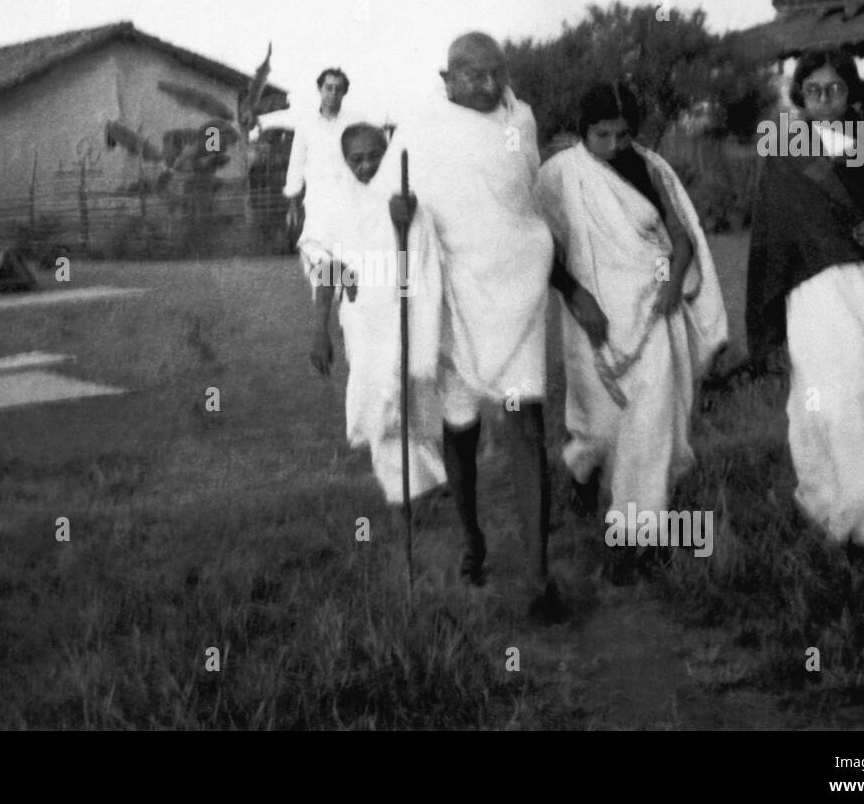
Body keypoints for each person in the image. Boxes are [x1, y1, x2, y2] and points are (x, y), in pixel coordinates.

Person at [382, 32, 568, 620]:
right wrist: (400, 217)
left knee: (525, 426)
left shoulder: (524, 122)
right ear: (447, 79)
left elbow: (527, 204)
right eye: (475, 77)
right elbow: (386, 206)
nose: (491, 87)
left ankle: (538, 572)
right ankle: (472, 540)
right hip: (453, 299)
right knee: (458, 428)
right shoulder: (420, 130)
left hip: (517, 290)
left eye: (498, 73)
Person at [535, 82, 728, 581]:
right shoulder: (559, 175)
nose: (614, 145)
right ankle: (584, 469)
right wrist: (577, 297)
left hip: (651, 307)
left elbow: (679, 234)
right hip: (592, 316)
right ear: (584, 131)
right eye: (602, 134)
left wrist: (669, 285)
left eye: (623, 134)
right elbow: (541, 250)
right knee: (599, 425)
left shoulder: (648, 166)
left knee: (651, 420)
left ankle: (636, 539)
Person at [746, 48, 864, 553]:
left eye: (835, 89)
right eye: (813, 91)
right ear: (799, 97)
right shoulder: (782, 147)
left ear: (852, 93)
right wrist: (772, 311)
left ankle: (831, 502)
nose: (824, 100)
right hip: (815, 289)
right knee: (840, 397)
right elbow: (771, 234)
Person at [301, 123, 446, 513]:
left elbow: (426, 247)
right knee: (377, 400)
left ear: (388, 152)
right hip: (364, 320)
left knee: (411, 397)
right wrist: (320, 329)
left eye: (374, 156)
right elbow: (327, 267)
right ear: (345, 161)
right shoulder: (336, 204)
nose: (366, 166)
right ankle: (404, 497)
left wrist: (408, 213)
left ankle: (425, 485)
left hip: (410, 313)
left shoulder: (406, 191)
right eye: (357, 159)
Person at [283, 68, 359, 246]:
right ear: (320, 89)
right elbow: (296, 163)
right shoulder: (306, 124)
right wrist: (292, 204)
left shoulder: (355, 122)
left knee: (350, 256)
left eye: (338, 89)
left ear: (344, 92)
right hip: (318, 202)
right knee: (320, 255)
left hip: (350, 201)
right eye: (329, 87)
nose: (333, 93)